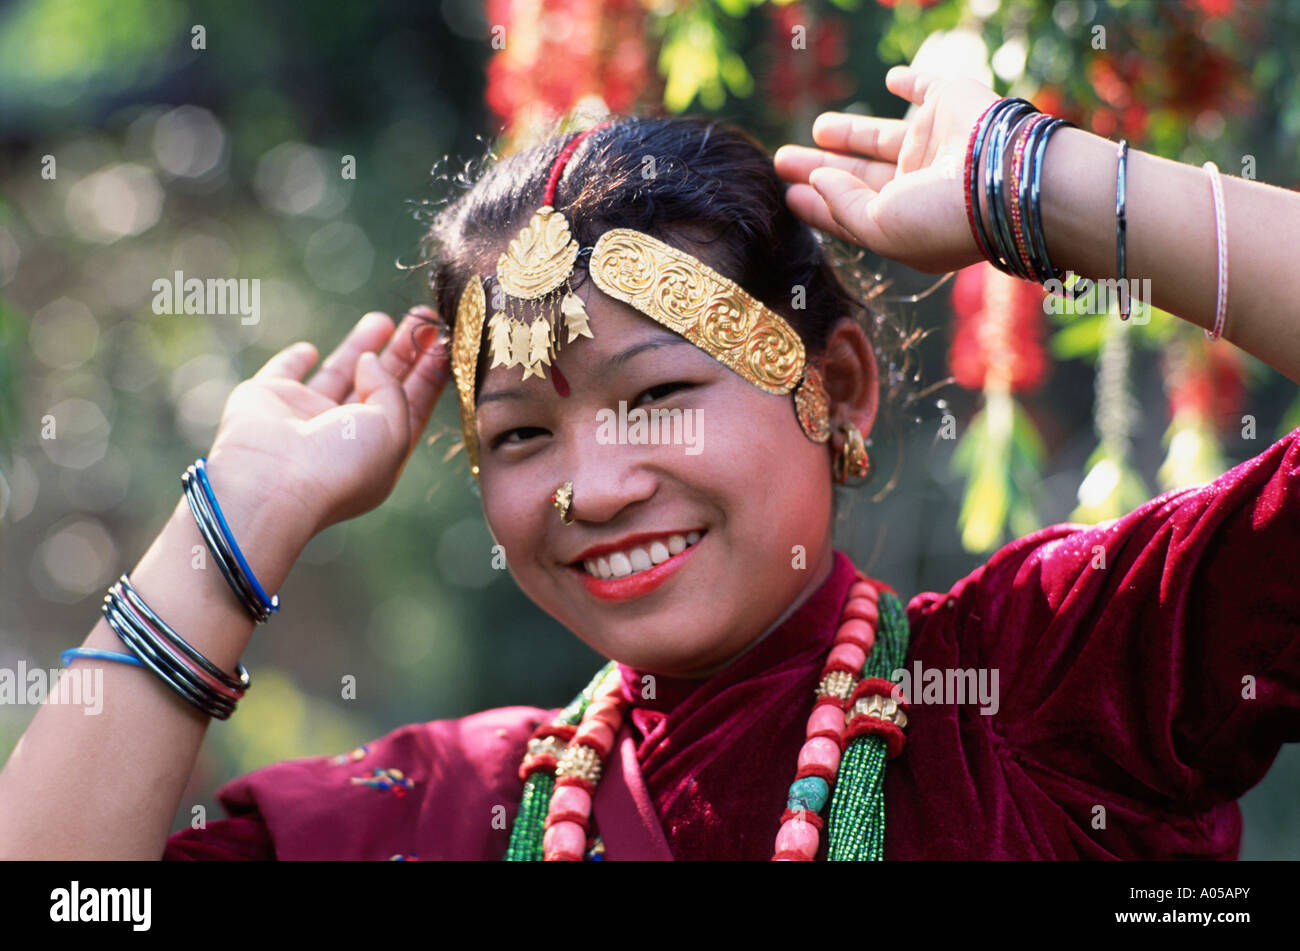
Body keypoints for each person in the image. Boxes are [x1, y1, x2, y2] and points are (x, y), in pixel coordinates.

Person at [1, 67, 1297, 861]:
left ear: (837, 385)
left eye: (660, 394)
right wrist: (230, 529)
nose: (595, 484)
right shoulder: (433, 813)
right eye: (518, 432)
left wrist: (1034, 180)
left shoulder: (1046, 684)